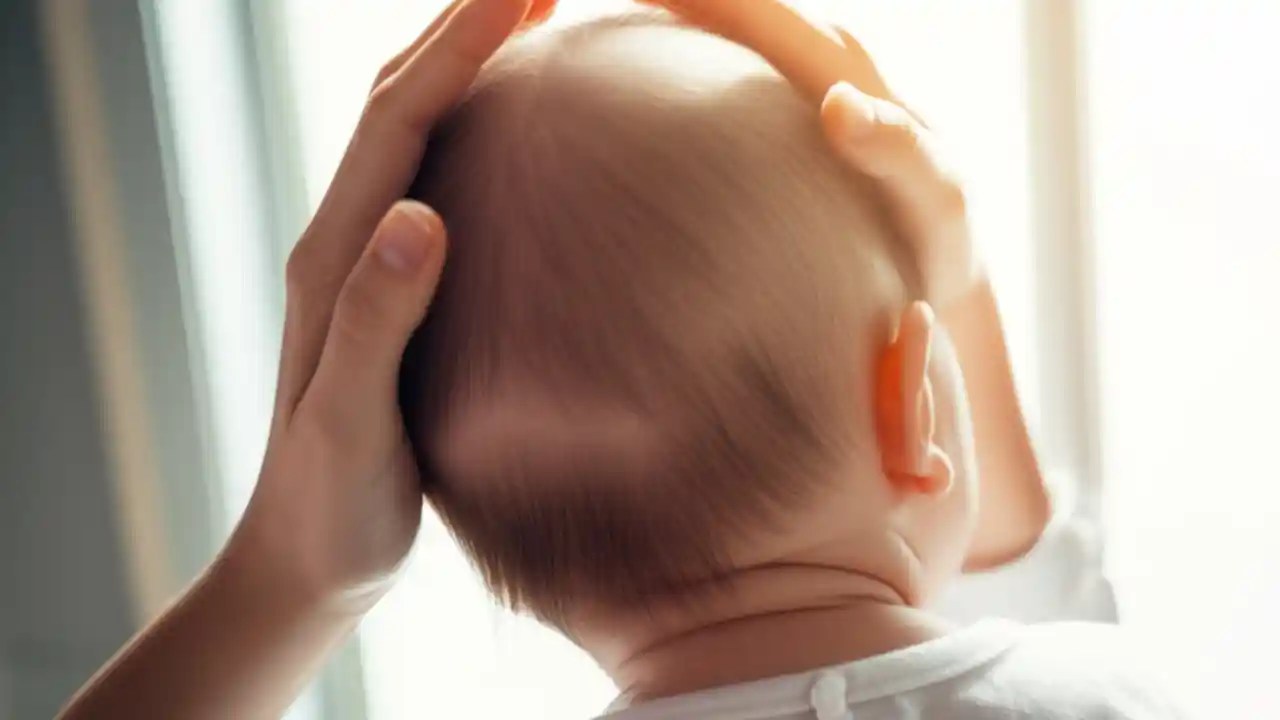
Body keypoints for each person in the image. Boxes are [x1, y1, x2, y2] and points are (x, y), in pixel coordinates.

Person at [58, 0, 1154, 718]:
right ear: (915, 400)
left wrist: (284, 580)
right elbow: (1026, 612)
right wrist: (950, 281)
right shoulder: (1101, 699)